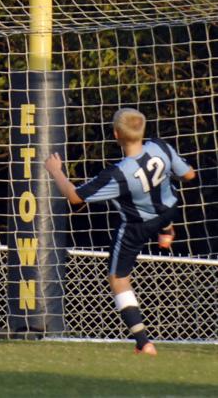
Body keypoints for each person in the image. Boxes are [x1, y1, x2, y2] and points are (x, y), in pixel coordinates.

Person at [44, 108, 196, 356]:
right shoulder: (161, 147)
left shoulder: (118, 173)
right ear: (143, 130)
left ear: (116, 134)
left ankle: (143, 343)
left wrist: (55, 170)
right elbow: (189, 174)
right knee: (163, 203)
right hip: (169, 210)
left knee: (118, 278)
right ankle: (166, 231)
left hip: (137, 226)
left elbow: (74, 197)